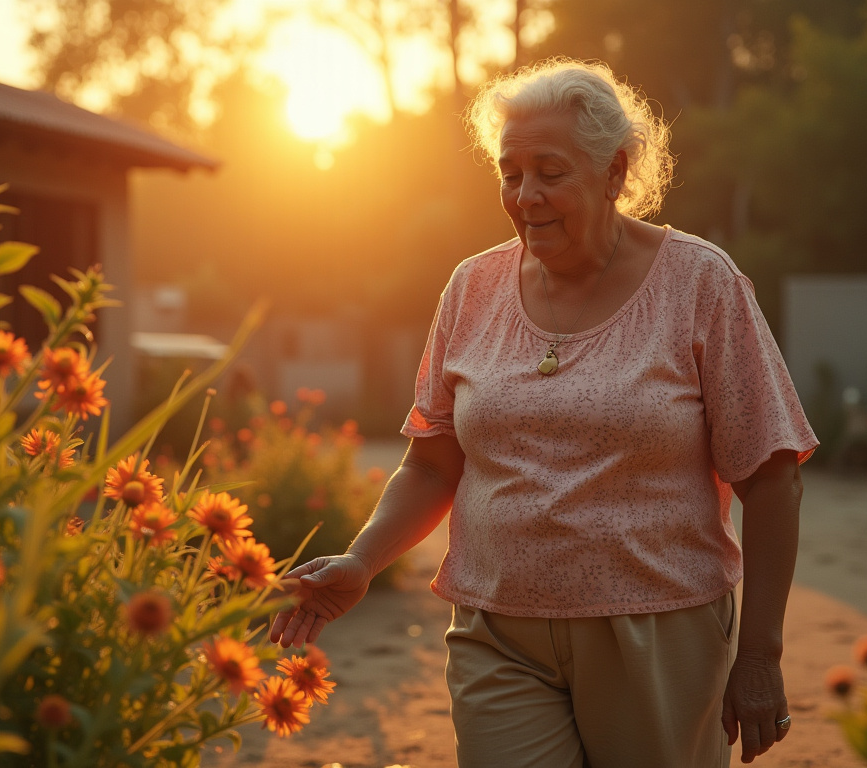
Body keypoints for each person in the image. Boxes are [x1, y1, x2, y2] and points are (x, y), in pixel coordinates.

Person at [269, 57, 818, 767]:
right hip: (498, 633)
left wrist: (760, 655)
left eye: (550, 173)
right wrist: (363, 558)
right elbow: (431, 464)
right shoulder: (472, 287)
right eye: (511, 173)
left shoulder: (699, 283)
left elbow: (771, 477)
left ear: (614, 172)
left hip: (657, 631)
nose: (526, 196)